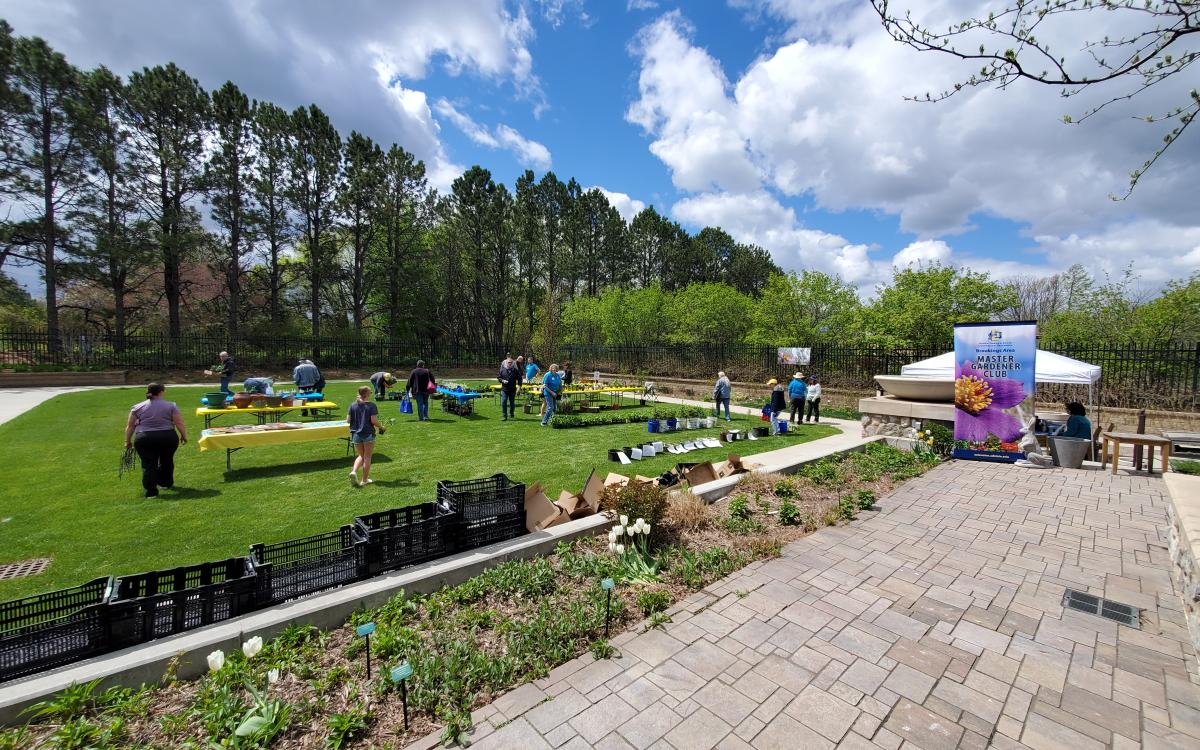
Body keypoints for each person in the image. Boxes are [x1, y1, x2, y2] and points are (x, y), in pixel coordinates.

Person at [124, 383, 187, 498]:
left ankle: (151, 492)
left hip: (145, 438)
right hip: (167, 437)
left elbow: (130, 426)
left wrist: (127, 441)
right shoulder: (171, 406)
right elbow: (179, 423)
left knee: (149, 464)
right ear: (161, 392)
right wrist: (183, 435)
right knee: (167, 460)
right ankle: (165, 484)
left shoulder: (137, 407)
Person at [347, 386, 385, 486]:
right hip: (368, 433)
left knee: (361, 455)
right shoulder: (371, 405)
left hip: (355, 434)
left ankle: (354, 472)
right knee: (367, 457)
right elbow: (373, 421)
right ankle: (364, 480)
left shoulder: (353, 405)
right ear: (367, 394)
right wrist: (381, 427)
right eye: (370, 392)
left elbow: (348, 420)